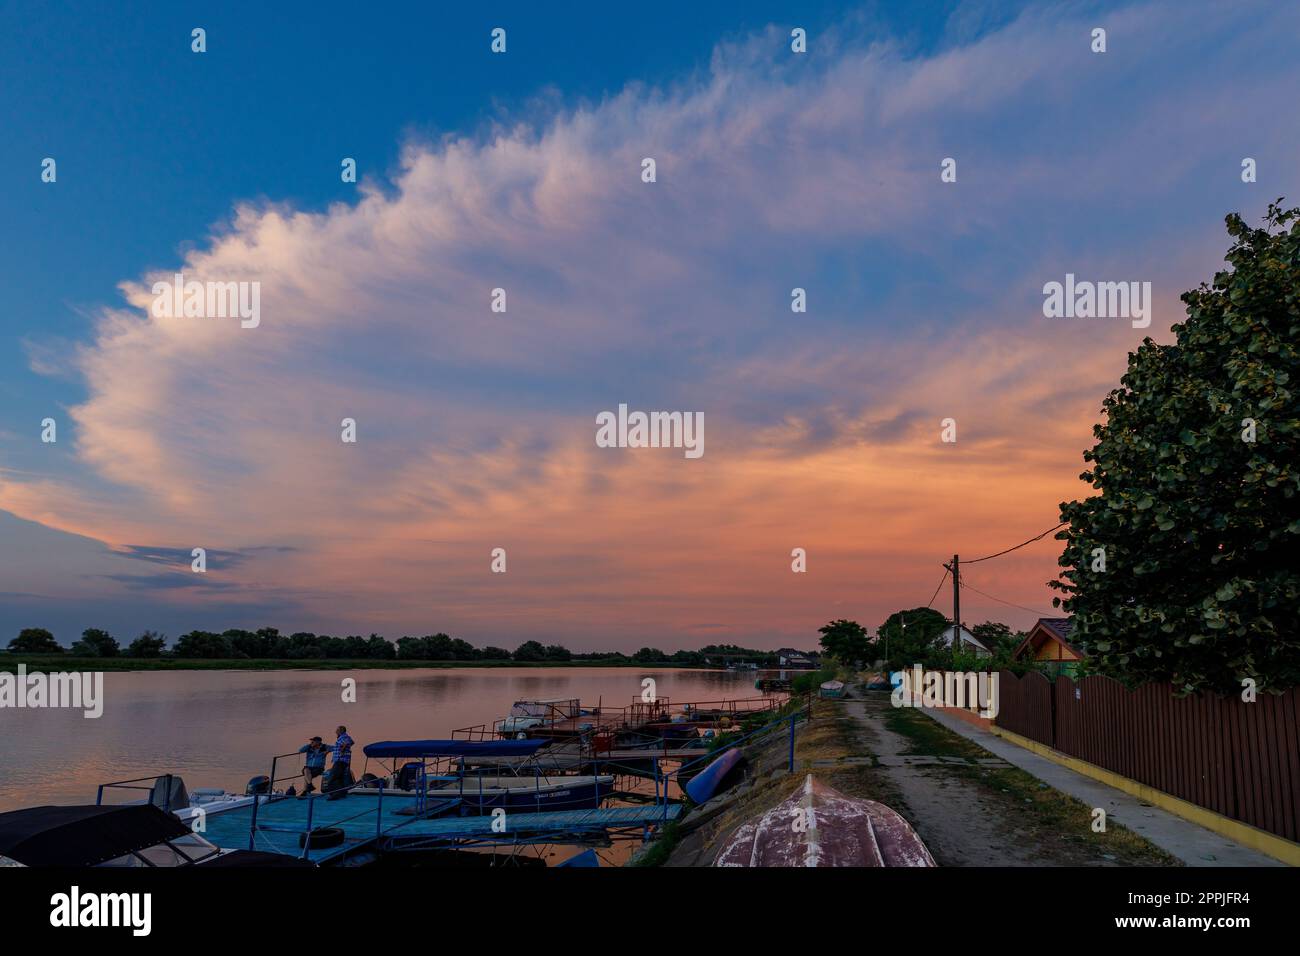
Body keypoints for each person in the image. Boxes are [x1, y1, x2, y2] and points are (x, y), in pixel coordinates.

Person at [323, 725, 355, 793]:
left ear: (341, 731)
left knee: (332, 778)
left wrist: (342, 750)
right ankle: (341, 792)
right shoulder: (345, 737)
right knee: (339, 777)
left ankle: (335, 793)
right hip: (342, 761)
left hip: (340, 761)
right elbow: (351, 742)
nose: (335, 732)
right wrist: (328, 751)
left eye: (337, 730)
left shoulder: (343, 737)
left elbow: (346, 743)